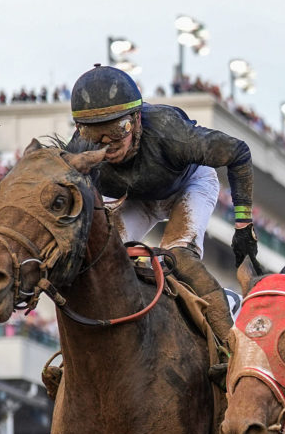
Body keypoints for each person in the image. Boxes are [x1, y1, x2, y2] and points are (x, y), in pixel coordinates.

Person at [67, 64, 258, 344]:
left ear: (137, 119)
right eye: (95, 134)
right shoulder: (79, 150)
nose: (107, 144)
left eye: (119, 129)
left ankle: (229, 336)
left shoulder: (171, 132)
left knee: (177, 258)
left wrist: (243, 225)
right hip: (136, 198)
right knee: (96, 258)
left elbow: (239, 152)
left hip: (189, 185)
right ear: (80, 131)